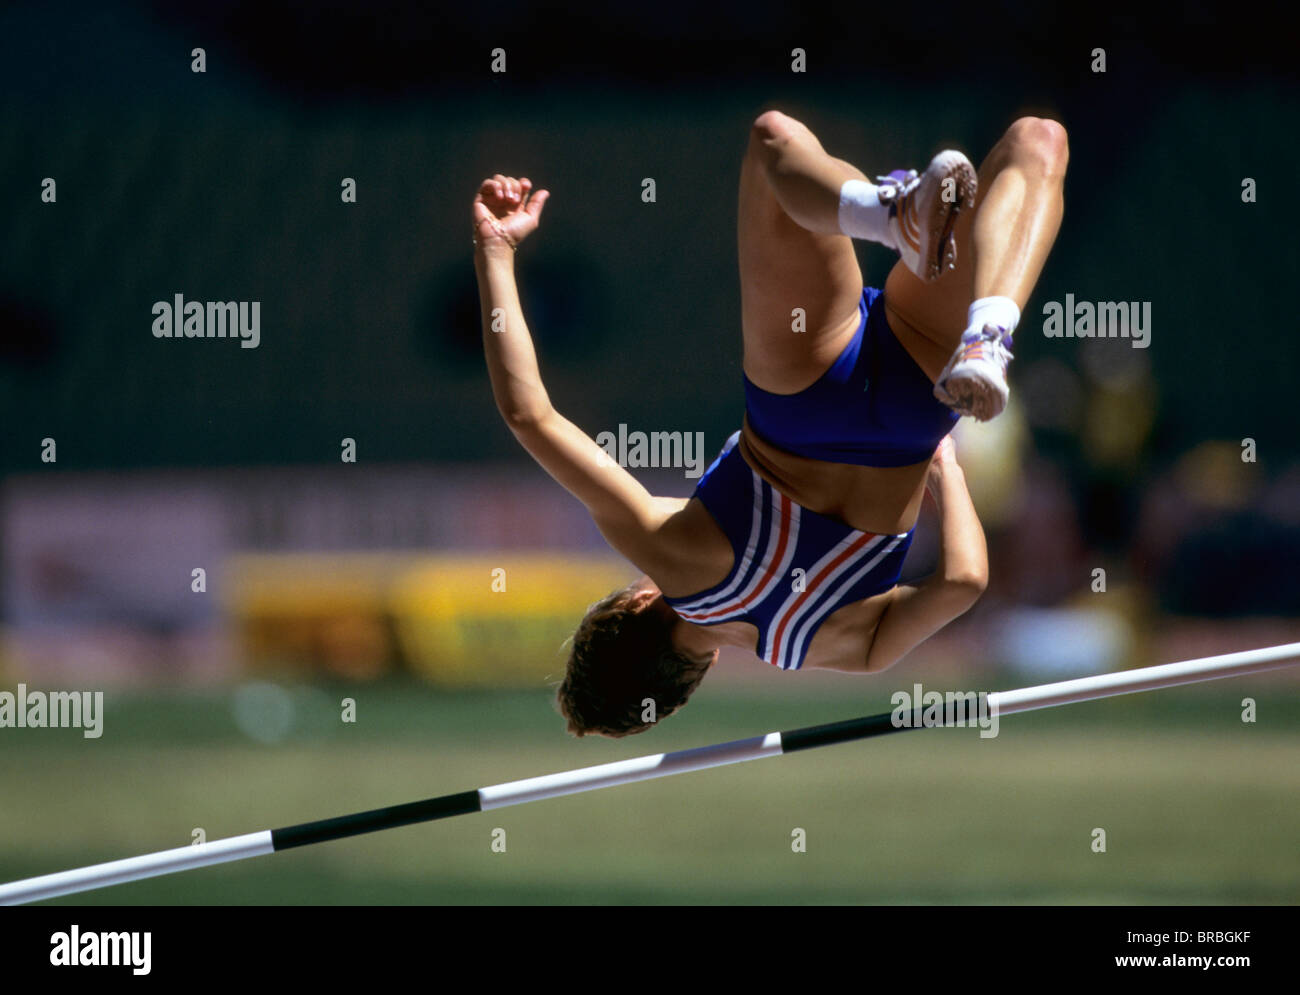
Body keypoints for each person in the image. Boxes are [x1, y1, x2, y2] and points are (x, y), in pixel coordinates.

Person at [471, 109, 1067, 737]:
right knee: (772, 143)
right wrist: (495, 251)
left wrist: (943, 464)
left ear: (688, 682)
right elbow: (528, 415)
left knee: (1039, 143)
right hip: (806, 382)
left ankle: (988, 331)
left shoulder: (839, 649)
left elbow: (964, 580)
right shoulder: (667, 555)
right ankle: (889, 213)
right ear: (635, 602)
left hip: (918, 405)